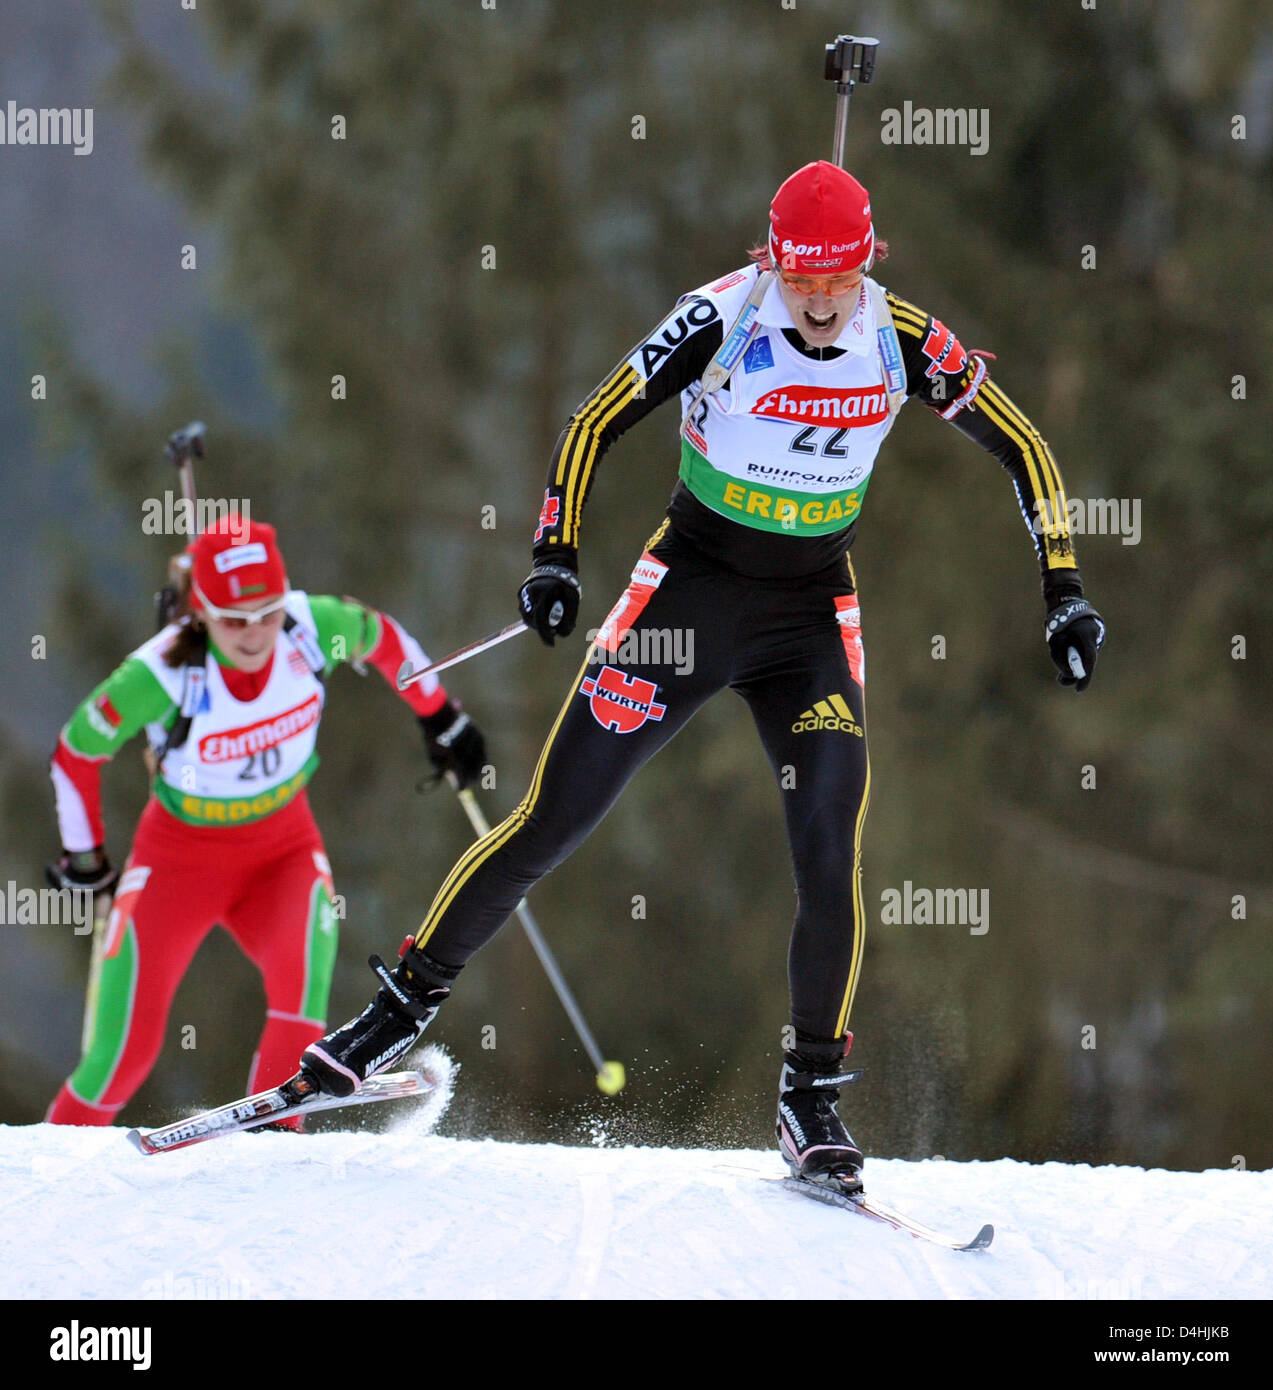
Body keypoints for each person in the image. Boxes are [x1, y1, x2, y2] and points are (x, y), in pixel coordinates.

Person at [298, 161, 1105, 1186]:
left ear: (867, 264)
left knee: (827, 843)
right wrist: (554, 554)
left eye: (837, 281)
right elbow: (595, 420)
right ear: (773, 262)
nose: (818, 303)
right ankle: (390, 1015)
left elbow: (1025, 445)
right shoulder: (721, 319)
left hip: (808, 618)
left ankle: (809, 1097)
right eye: (800, 280)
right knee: (556, 817)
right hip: (688, 598)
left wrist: (1064, 588)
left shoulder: (903, 338)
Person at [45, 517, 487, 1126]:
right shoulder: (162, 673)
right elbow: (74, 755)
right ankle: (42, 1185)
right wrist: (85, 861)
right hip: (176, 862)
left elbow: (386, 641)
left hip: (282, 853)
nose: (254, 632)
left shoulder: (312, 630)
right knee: (121, 1057)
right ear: (200, 611)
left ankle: (275, 1158)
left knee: (300, 1002)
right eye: (232, 618)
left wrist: (441, 718)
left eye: (267, 611)